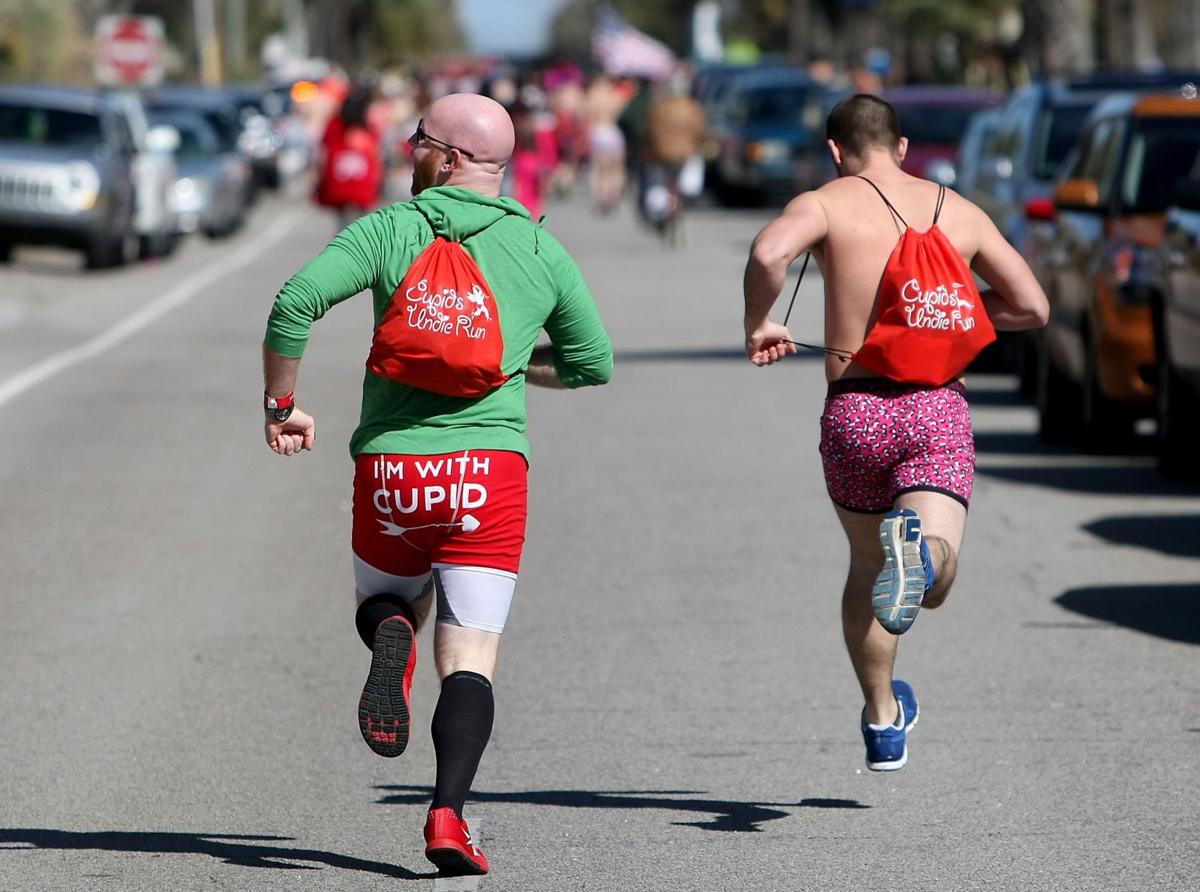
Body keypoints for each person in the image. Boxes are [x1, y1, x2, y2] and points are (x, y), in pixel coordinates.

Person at [261, 93, 613, 875]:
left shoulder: (390, 229)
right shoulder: (538, 248)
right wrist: (516, 367)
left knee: (387, 603)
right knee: (471, 655)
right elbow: (594, 363)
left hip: (393, 469)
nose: (407, 150)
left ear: (447, 157)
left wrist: (281, 404)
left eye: (417, 140)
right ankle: (449, 816)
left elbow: (294, 304)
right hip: (488, 475)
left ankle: (391, 632)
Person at [741, 94, 1048, 772]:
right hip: (935, 406)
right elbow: (1033, 305)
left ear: (834, 150)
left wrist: (760, 322)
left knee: (865, 567)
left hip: (855, 411)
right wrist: (962, 311)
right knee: (932, 575)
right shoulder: (959, 210)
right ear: (903, 146)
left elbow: (768, 252)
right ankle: (925, 559)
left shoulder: (826, 202)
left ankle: (882, 718)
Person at [314, 82, 385, 229]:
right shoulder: (368, 127)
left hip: (338, 179)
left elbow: (323, 154)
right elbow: (376, 155)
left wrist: (319, 179)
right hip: (363, 181)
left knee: (342, 225)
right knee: (363, 225)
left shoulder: (334, 125)